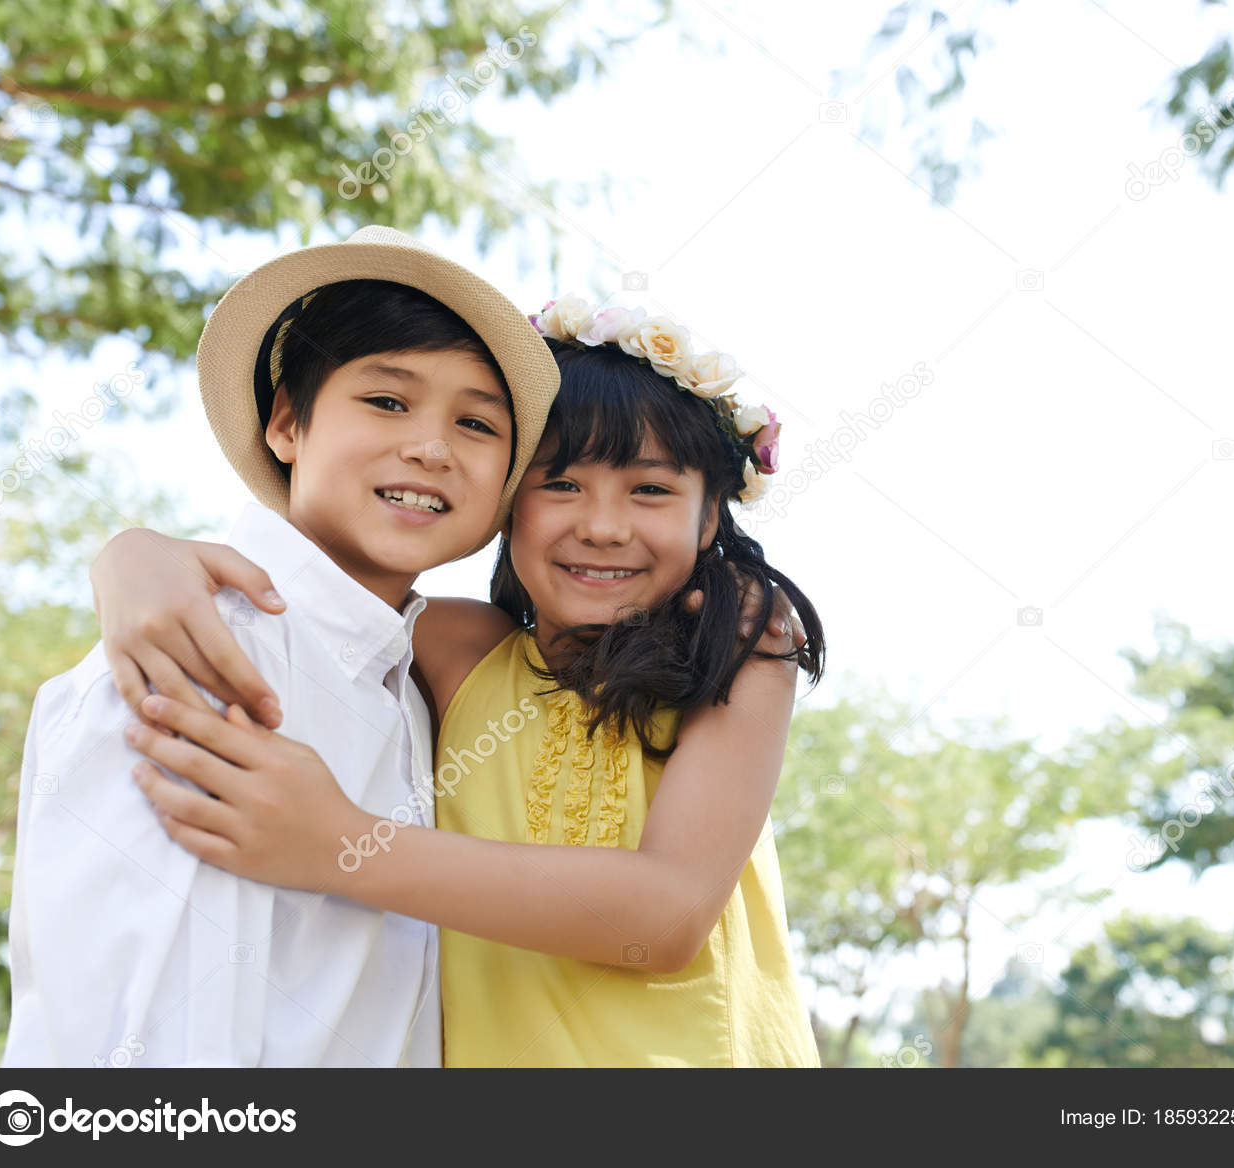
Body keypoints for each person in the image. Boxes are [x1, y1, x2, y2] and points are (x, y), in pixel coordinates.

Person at [98, 297, 828, 1065]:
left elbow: (665, 915)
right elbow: (323, 601)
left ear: (710, 518)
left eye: (650, 490)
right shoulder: (458, 651)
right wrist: (134, 556)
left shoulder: (739, 647)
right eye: (562, 485)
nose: (604, 526)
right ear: (507, 507)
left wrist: (337, 844)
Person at [2, 226, 561, 1066]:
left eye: (478, 424)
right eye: (387, 400)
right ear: (288, 423)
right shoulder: (202, 653)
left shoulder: (420, 691)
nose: (433, 446)